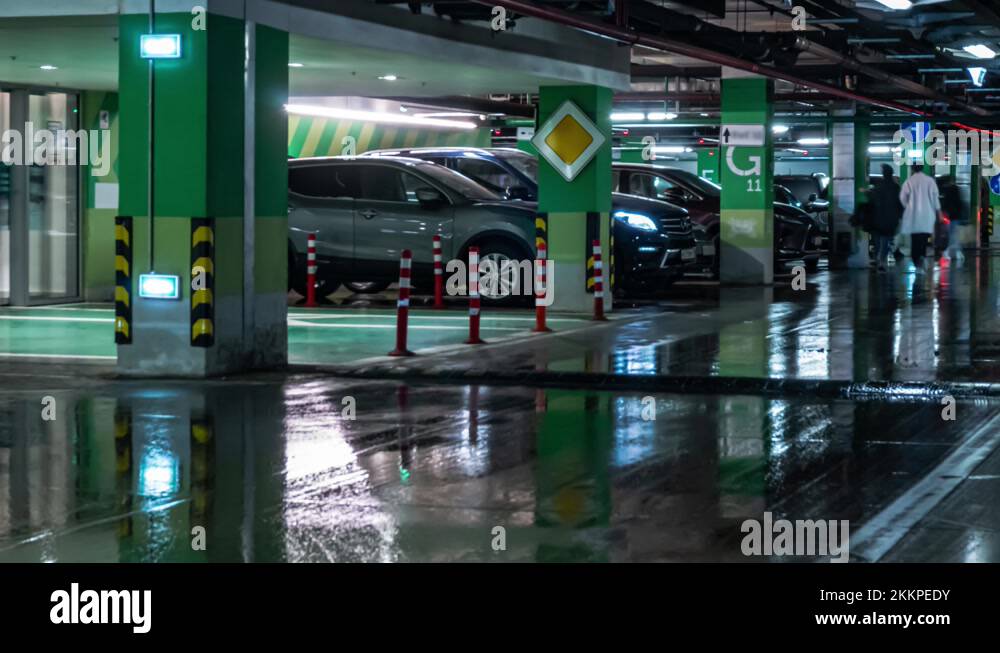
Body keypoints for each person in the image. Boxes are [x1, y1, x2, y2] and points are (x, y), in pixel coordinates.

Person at [898, 163, 941, 273]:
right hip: (927, 216)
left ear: (912, 169)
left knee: (915, 240)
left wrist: (908, 206)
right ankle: (922, 257)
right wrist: (938, 212)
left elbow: (902, 198)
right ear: (922, 168)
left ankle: (917, 263)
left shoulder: (909, 182)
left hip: (913, 217)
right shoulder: (930, 181)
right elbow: (935, 199)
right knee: (924, 240)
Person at [869, 164, 903, 271]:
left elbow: (872, 200)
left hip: (878, 217)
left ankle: (876, 257)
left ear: (883, 174)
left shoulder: (878, 186)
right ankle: (882, 260)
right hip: (891, 218)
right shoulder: (896, 187)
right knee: (886, 239)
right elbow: (899, 203)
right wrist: (900, 215)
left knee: (877, 239)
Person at [939, 177, 965, 263]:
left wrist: (944, 212)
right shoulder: (956, 189)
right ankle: (955, 252)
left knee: (952, 235)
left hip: (951, 216)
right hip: (957, 216)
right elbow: (960, 203)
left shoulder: (947, 190)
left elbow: (945, 203)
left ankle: (950, 253)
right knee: (954, 235)